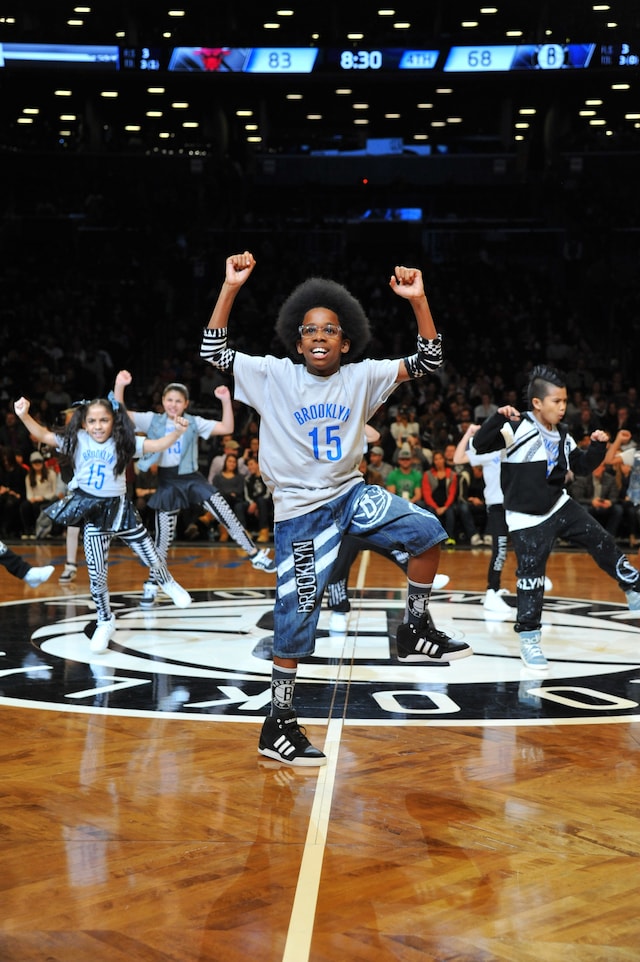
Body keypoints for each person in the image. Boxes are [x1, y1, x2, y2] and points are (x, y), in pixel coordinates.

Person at [200, 250, 472, 767]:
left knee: (428, 532)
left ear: (345, 343)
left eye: (329, 331)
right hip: (301, 514)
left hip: (350, 495)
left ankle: (414, 628)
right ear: (297, 342)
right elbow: (213, 350)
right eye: (309, 331)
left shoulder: (363, 377)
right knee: (297, 620)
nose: (319, 336)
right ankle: (277, 723)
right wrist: (230, 287)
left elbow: (430, 360)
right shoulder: (272, 375)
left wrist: (419, 301)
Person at [472, 364, 640, 670]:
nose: (563, 408)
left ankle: (632, 588)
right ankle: (529, 641)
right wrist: (497, 417)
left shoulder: (562, 433)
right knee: (531, 579)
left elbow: (583, 466)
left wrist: (599, 446)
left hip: (559, 505)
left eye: (564, 401)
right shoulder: (517, 426)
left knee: (600, 539)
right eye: (556, 402)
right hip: (525, 518)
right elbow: (479, 445)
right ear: (537, 403)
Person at [14, 394, 193, 654]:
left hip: (119, 507)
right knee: (97, 575)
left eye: (104, 420)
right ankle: (105, 620)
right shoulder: (77, 440)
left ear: (113, 422)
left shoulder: (124, 443)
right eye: (92, 421)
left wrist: (177, 433)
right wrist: (23, 415)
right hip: (92, 509)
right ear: (84, 423)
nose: (98, 426)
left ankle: (167, 582)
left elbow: (156, 445)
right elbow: (43, 435)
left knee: (150, 555)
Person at [113, 372, 276, 610]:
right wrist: (120, 386)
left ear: (186, 404)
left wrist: (225, 400)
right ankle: (150, 585)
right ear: (163, 401)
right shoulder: (153, 420)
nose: (173, 404)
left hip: (191, 478)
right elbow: (121, 415)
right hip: (168, 482)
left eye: (179, 401)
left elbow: (227, 426)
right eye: (170, 400)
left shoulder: (193, 421)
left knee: (223, 510)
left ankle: (254, 555)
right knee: (162, 543)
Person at [568, 460, 623, 538]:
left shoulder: (610, 479)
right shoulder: (583, 478)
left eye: (599, 467)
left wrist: (609, 502)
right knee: (583, 509)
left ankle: (609, 536)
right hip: (589, 505)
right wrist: (591, 502)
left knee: (618, 509)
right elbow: (577, 498)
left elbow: (614, 497)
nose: (597, 469)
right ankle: (586, 535)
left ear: (603, 468)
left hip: (604, 505)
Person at [19, 449, 65, 539]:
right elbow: (29, 492)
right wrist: (32, 498)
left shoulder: (50, 474)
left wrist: (43, 497)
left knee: (38, 507)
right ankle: (29, 529)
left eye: (39, 462)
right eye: (35, 462)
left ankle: (39, 530)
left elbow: (54, 491)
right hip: (34, 499)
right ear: (31, 464)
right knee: (25, 506)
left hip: (48, 498)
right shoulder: (29, 477)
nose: (37, 464)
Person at [420, 449, 458, 545]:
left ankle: (450, 537)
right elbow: (426, 494)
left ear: (444, 460)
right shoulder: (427, 474)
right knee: (430, 512)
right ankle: (435, 538)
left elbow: (452, 493)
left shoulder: (452, 475)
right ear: (433, 461)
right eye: (436, 459)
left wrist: (445, 507)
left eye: (440, 458)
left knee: (450, 512)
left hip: (447, 503)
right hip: (432, 503)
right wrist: (436, 507)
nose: (438, 461)